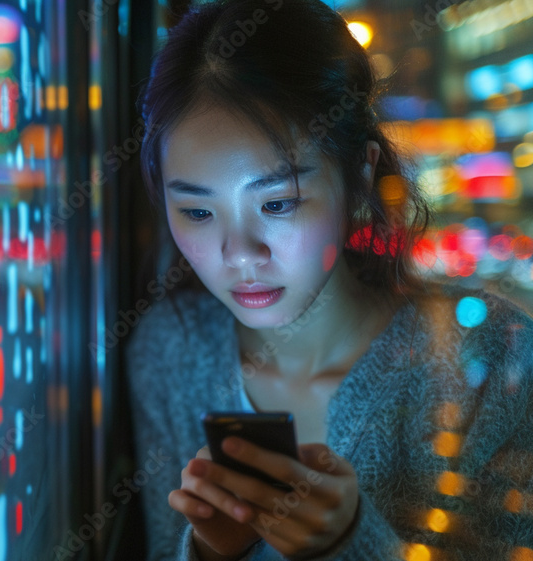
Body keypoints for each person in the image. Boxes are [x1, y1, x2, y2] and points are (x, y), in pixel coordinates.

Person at [126, 0, 533, 560]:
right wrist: (207, 552)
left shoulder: (490, 353)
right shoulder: (172, 347)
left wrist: (352, 544)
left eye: (278, 203)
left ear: (360, 173)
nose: (239, 254)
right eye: (197, 213)